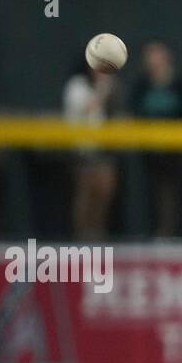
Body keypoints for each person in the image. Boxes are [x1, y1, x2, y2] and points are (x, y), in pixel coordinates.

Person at [130, 40, 182, 237]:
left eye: (157, 55)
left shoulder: (181, 84)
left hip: (175, 149)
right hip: (147, 149)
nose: (154, 61)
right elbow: (132, 115)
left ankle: (170, 232)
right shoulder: (141, 85)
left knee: (171, 192)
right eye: (150, 56)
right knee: (148, 192)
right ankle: (147, 233)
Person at [63, 55, 121, 239]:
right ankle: (81, 235)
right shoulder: (77, 85)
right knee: (85, 193)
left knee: (104, 191)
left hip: (103, 147)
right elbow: (87, 108)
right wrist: (103, 90)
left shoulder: (110, 85)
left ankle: (97, 232)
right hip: (82, 147)